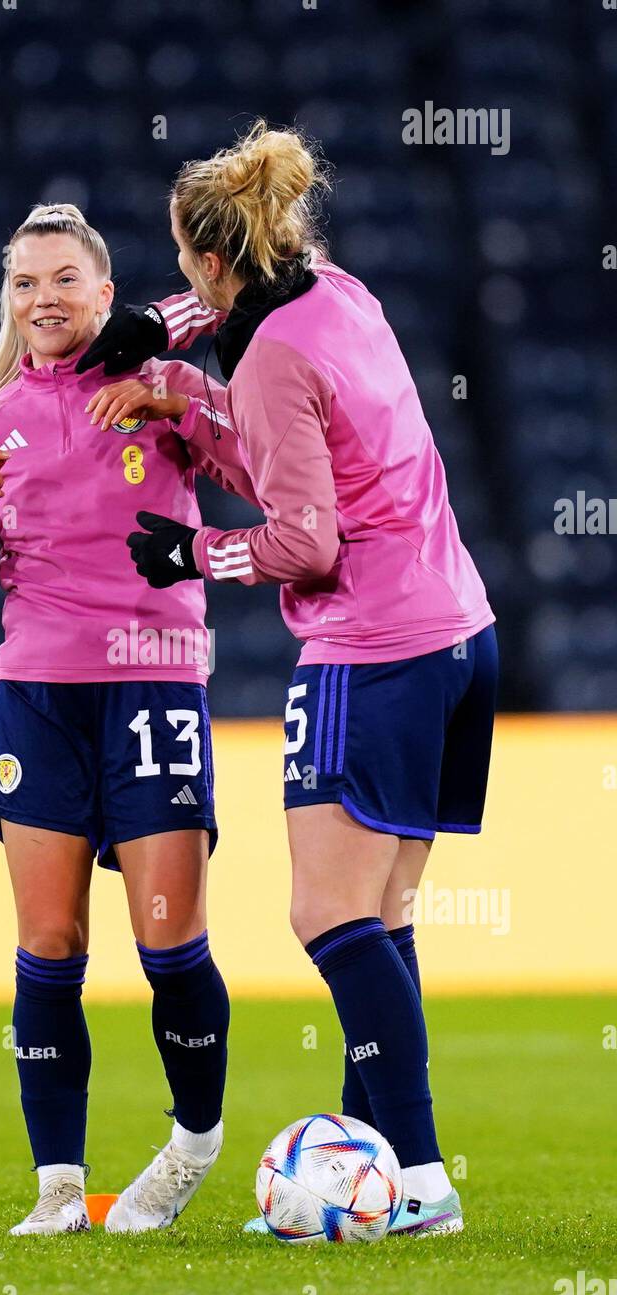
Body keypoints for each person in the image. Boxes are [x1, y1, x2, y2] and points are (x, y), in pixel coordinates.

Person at [80, 123, 498, 1237]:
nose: (177, 280)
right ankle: (374, 1182)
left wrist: (194, 553)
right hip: (461, 628)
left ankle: (417, 1181)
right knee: (384, 912)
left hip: (377, 644)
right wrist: (170, 372)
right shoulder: (339, 294)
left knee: (324, 912)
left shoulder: (266, 358)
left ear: (214, 262)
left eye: (180, 262)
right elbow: (277, 438)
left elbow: (304, 540)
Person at [0, 204, 243, 1236]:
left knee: (169, 940)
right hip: (37, 698)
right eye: (23, 283)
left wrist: (182, 403)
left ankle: (192, 1143)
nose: (40, 299)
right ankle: (59, 1186)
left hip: (155, 685)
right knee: (49, 942)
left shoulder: (159, 390)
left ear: (105, 293)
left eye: (61, 280)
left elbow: (262, 474)